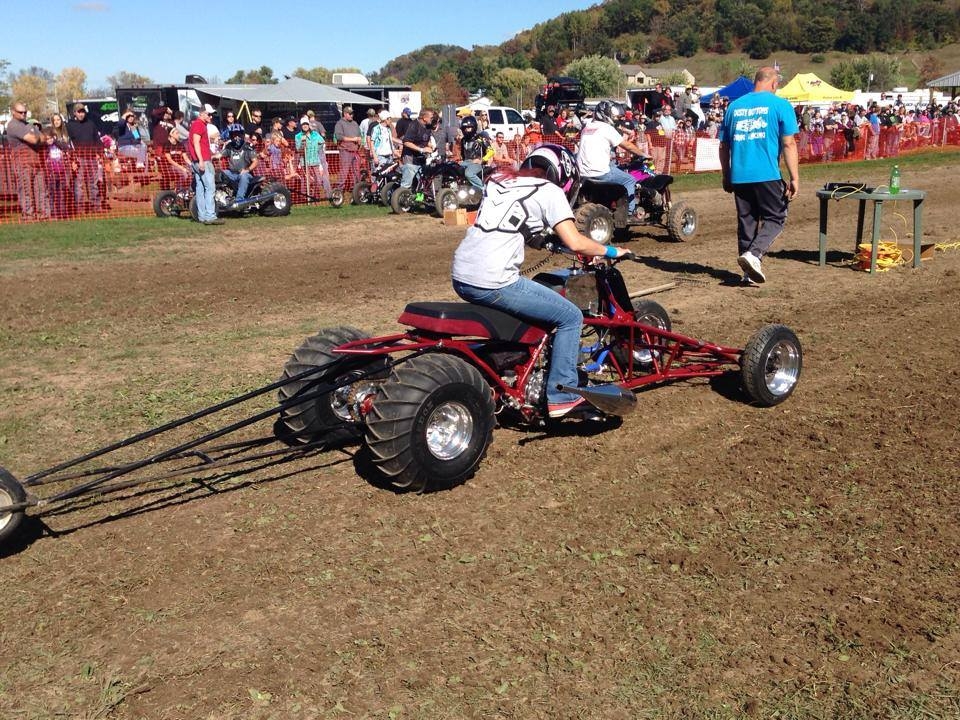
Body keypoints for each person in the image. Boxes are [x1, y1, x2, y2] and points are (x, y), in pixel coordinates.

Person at [451, 144, 631, 419]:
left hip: (462, 274)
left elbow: (514, 223)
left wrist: (547, 241)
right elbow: (575, 240)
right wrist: (611, 250)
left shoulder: (499, 180)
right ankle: (562, 395)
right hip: (493, 280)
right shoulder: (549, 191)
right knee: (570, 316)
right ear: (562, 173)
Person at [719, 66, 799, 286]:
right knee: (776, 217)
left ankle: (747, 272)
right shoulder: (781, 105)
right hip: (767, 173)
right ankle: (754, 255)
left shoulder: (734, 107)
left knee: (747, 222)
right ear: (774, 84)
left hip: (740, 174)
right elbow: (789, 143)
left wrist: (726, 175)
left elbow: (724, 146)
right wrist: (794, 178)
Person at [576, 100, 647, 219]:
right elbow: (627, 145)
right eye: (611, 114)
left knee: (615, 168)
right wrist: (643, 154)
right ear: (605, 114)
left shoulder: (587, 126)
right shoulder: (606, 128)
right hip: (599, 172)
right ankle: (631, 212)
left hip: (582, 173)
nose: (613, 117)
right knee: (629, 180)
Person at [6, 101, 45, 220]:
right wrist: (38, 138)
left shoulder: (29, 124)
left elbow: (44, 138)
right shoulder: (13, 125)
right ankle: (28, 215)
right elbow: (34, 140)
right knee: (26, 190)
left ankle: (42, 214)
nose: (23, 114)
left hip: (36, 161)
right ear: (13, 112)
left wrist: (38, 138)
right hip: (22, 162)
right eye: (20, 112)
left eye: (25, 112)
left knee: (40, 189)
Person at [188, 104, 223, 225]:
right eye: (209, 114)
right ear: (201, 113)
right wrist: (201, 160)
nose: (211, 117)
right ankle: (210, 216)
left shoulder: (198, 125)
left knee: (200, 188)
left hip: (197, 161)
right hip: (202, 161)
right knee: (210, 188)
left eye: (212, 114)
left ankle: (202, 216)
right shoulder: (199, 125)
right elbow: (196, 143)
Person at [66, 102, 102, 212]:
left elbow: (97, 139)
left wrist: (100, 153)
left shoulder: (91, 124)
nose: (81, 114)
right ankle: (80, 208)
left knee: (93, 183)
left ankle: (96, 206)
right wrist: (72, 158)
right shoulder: (69, 125)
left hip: (91, 157)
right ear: (74, 113)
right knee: (79, 185)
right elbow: (68, 142)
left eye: (83, 112)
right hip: (79, 158)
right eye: (79, 112)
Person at [296, 118, 333, 200]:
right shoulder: (298, 136)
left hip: (315, 161)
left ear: (308, 125)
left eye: (306, 124)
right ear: (301, 126)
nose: (305, 126)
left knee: (318, 180)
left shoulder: (315, 134)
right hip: (304, 162)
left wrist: (317, 148)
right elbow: (298, 149)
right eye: (303, 125)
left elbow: (322, 142)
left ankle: (315, 196)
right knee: (305, 181)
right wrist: (303, 144)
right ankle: (304, 198)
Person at [221, 123, 259, 204]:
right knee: (221, 174)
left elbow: (255, 161)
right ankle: (222, 198)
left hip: (245, 173)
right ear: (231, 136)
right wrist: (210, 157)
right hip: (231, 173)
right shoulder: (229, 146)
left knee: (243, 176)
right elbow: (219, 155)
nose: (236, 137)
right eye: (234, 135)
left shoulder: (248, 147)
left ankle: (239, 201)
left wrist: (247, 170)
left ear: (242, 135)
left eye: (238, 134)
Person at [399, 107, 436, 189]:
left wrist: (430, 145)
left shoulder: (428, 127)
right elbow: (406, 142)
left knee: (421, 183)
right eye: (431, 117)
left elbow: (424, 140)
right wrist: (422, 149)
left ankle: (419, 200)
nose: (432, 119)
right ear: (424, 117)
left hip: (421, 159)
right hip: (410, 159)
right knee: (407, 184)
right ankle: (401, 200)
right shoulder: (414, 125)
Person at [334, 105, 363, 191]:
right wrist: (353, 139)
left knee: (356, 172)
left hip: (355, 150)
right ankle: (339, 191)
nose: (351, 115)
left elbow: (359, 135)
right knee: (344, 171)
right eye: (350, 114)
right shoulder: (340, 123)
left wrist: (359, 140)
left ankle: (356, 189)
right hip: (345, 150)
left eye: (352, 114)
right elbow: (339, 137)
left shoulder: (355, 123)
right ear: (345, 114)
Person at [458, 114, 488, 190]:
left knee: (469, 173)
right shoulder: (463, 140)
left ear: (473, 127)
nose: (467, 129)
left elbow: (491, 151)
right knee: (452, 168)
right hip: (466, 162)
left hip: (477, 163)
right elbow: (462, 154)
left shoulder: (480, 138)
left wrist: (482, 160)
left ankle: (483, 189)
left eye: (469, 127)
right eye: (465, 128)